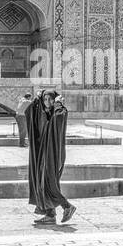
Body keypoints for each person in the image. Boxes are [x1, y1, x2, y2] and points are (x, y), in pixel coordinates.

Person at [28, 90, 75, 226]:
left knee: (49, 182)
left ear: (56, 100)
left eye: (51, 100)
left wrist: (59, 104)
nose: (48, 102)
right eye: (45, 99)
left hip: (53, 154)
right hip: (43, 153)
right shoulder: (45, 112)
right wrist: (37, 98)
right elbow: (31, 112)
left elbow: (60, 117)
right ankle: (50, 215)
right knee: (42, 182)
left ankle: (67, 206)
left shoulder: (59, 111)